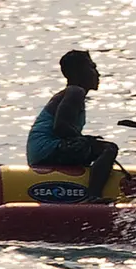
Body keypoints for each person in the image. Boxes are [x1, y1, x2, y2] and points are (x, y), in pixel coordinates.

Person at [26, 50, 118, 202]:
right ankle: (93, 196)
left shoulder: (72, 93)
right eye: (92, 68)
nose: (98, 74)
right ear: (77, 73)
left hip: (39, 153)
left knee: (91, 146)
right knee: (109, 148)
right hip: (49, 148)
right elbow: (60, 127)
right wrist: (87, 140)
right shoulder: (75, 92)